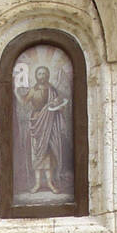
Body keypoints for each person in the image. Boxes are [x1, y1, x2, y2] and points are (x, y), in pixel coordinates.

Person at [15, 63, 70, 196]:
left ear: (48, 75)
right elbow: (23, 101)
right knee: (37, 153)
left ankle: (50, 183)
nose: (42, 76)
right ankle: (38, 183)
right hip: (36, 122)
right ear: (36, 76)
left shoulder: (53, 90)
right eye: (40, 73)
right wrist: (16, 92)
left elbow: (61, 104)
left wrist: (59, 106)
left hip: (49, 123)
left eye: (44, 73)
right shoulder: (33, 90)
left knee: (48, 153)